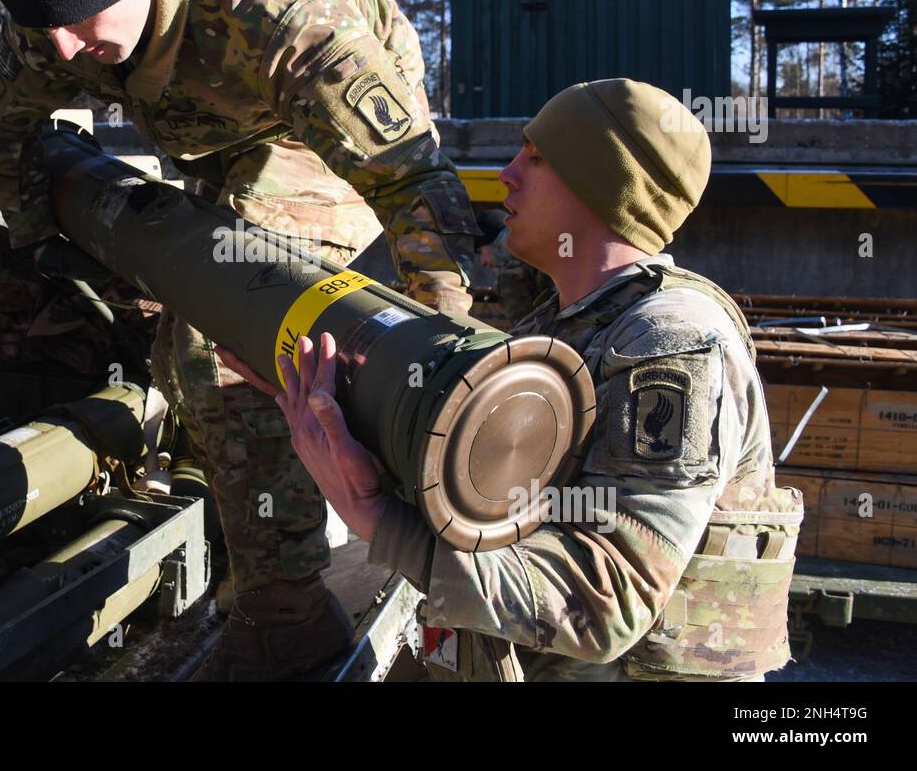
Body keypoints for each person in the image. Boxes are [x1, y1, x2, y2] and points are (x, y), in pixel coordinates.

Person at [0, 0, 481, 680]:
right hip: (216, 139)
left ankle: (287, 611)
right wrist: (35, 242)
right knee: (172, 338)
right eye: (45, 27)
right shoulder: (55, 23)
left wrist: (447, 350)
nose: (65, 49)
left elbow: (408, 173)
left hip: (313, 135)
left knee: (221, 340)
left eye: (81, 19)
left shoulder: (270, 10)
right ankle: (246, 502)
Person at [221, 79, 803, 681]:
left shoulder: (671, 344)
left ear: (599, 184)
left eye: (537, 156)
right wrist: (329, 409)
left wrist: (373, 518)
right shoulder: (565, 325)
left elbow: (602, 604)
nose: (507, 174)